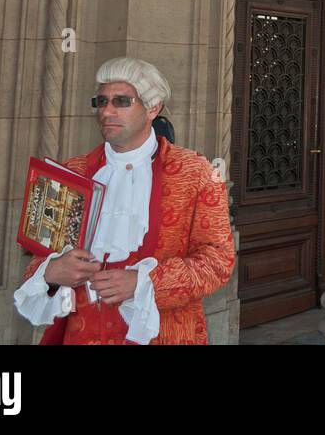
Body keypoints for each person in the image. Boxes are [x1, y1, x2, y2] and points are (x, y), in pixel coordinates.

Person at [13, 57, 234, 344]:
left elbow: (217, 261)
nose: (107, 111)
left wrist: (143, 283)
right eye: (101, 101)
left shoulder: (196, 173)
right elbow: (38, 254)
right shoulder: (70, 173)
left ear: (153, 108)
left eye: (121, 101)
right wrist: (51, 271)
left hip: (164, 334)